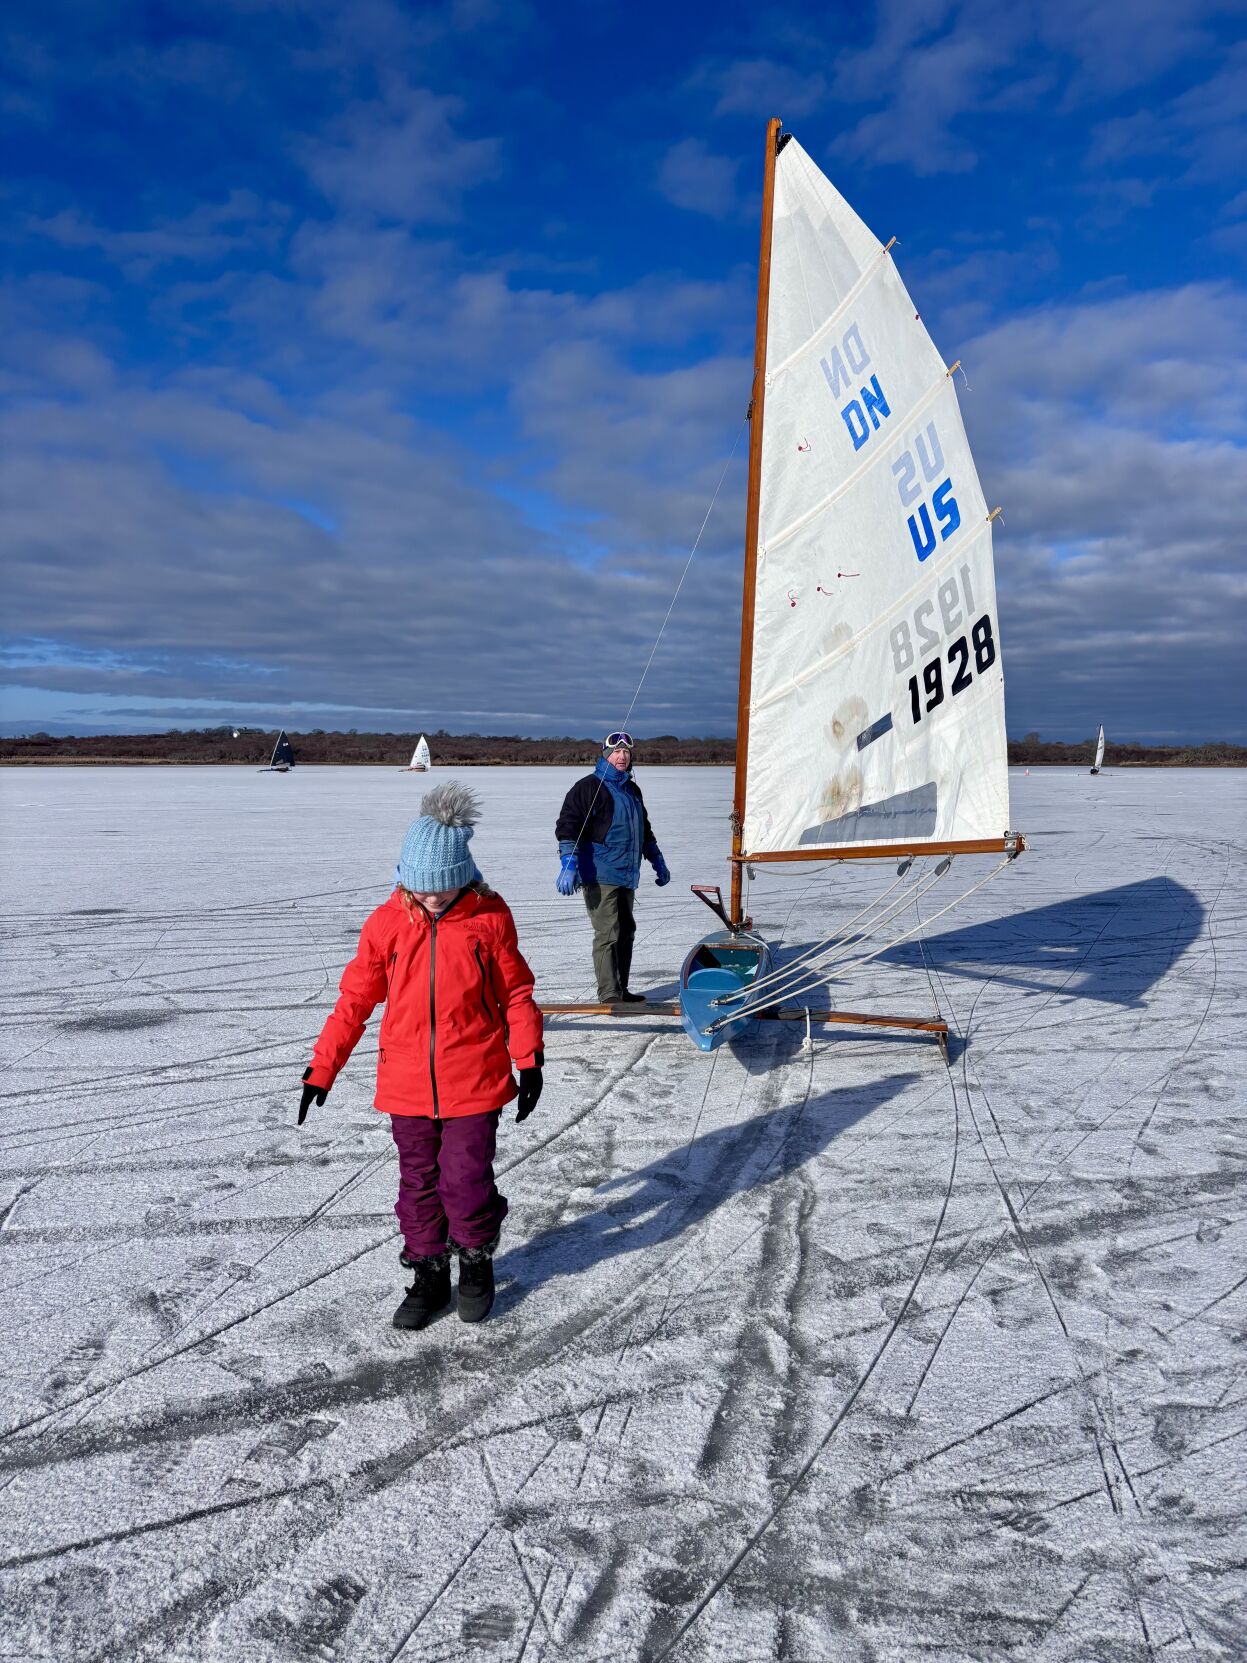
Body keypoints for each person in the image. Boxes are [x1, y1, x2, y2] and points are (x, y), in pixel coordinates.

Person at [298, 782, 543, 1331]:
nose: (433, 899)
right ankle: (429, 1273)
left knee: (464, 1180)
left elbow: (517, 994)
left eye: (445, 888)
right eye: (423, 889)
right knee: (418, 1184)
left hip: (475, 1081)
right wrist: (323, 1068)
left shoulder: (488, 919)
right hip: (406, 1084)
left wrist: (529, 1060)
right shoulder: (387, 924)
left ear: (464, 877)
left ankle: (475, 1261)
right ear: (405, 878)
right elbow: (355, 1000)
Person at [554, 731, 670, 1004]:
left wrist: (657, 860)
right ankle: (609, 993)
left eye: (626, 752)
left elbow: (645, 831)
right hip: (599, 873)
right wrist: (568, 863)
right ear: (606, 755)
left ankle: (621, 989)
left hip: (626, 874)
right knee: (608, 932)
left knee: (626, 931)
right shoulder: (588, 788)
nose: (622, 756)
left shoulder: (632, 790)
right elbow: (568, 826)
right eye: (616, 752)